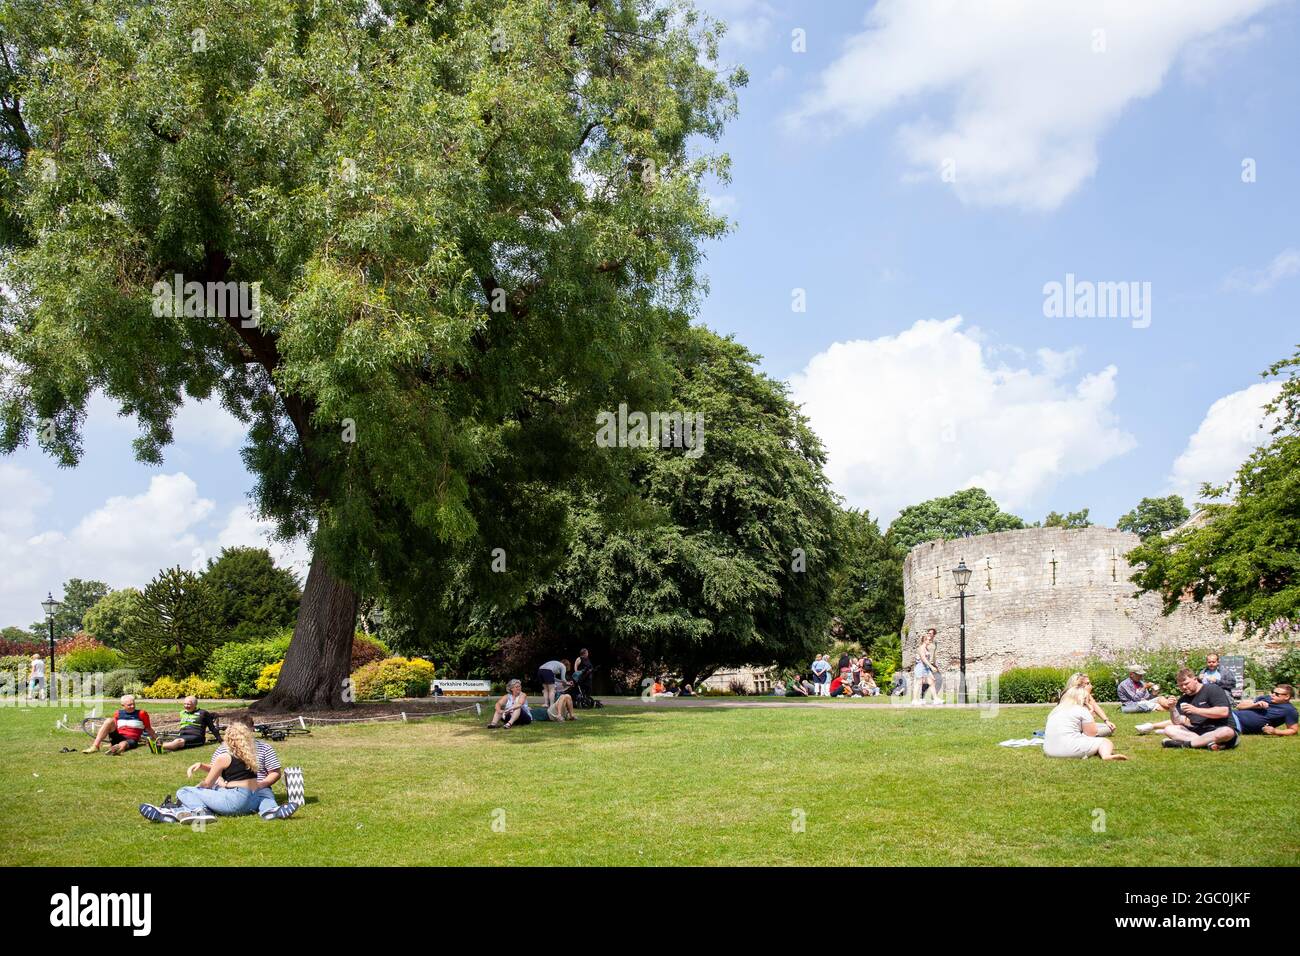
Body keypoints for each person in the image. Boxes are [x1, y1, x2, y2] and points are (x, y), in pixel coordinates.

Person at [140, 718, 297, 822]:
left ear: (228, 737)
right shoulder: (251, 754)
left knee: (185, 791)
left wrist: (200, 788)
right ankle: (270, 811)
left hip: (235, 800)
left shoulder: (225, 755)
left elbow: (208, 783)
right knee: (264, 794)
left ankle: (198, 811)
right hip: (252, 796)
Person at [1158, 668, 1238, 751]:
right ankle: (1206, 743)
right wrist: (1172, 708)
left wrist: (1196, 710)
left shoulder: (1213, 689)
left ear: (1195, 679)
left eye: (1186, 683)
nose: (1184, 687)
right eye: (1180, 686)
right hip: (1197, 733)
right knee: (1169, 729)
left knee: (1227, 732)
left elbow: (1223, 712)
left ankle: (1186, 744)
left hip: (1218, 729)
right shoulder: (1183, 699)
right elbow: (1177, 722)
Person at [1043, 683, 1128, 760]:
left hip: (1049, 750)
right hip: (1070, 749)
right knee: (1105, 742)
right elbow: (1092, 734)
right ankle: (1106, 755)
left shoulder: (1055, 711)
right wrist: (1090, 714)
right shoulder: (1081, 710)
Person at [83, 694, 156, 754]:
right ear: (123, 705)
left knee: (124, 743)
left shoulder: (142, 714)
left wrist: (156, 739)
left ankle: (116, 749)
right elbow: (112, 726)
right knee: (109, 721)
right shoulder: (118, 713)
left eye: (133, 704)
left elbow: (148, 728)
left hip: (131, 739)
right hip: (118, 737)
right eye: (129, 705)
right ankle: (95, 746)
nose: (132, 706)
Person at [1233, 684, 1297, 736]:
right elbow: (1239, 706)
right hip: (1233, 714)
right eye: (1273, 692)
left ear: (1287, 697)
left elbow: (1293, 730)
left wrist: (1275, 731)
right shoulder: (1267, 698)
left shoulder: (1290, 710)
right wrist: (1254, 705)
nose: (1272, 695)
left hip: (1239, 725)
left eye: (1277, 694)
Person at [1064, 673, 1115, 737]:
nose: (1091, 686)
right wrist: (1087, 694)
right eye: (1087, 683)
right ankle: (1080, 736)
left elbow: (1094, 705)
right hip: (1072, 725)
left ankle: (1083, 735)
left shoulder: (1084, 693)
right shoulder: (1071, 695)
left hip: (1081, 725)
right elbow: (1085, 715)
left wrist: (1106, 720)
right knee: (1103, 730)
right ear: (1079, 684)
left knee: (1109, 727)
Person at [911, 629, 942, 705]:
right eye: (928, 640)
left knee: (932, 682)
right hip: (921, 667)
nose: (929, 641)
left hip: (925, 668)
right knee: (918, 683)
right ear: (925, 641)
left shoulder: (926, 648)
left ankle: (935, 699)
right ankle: (914, 700)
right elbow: (923, 659)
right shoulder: (921, 648)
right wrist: (931, 667)